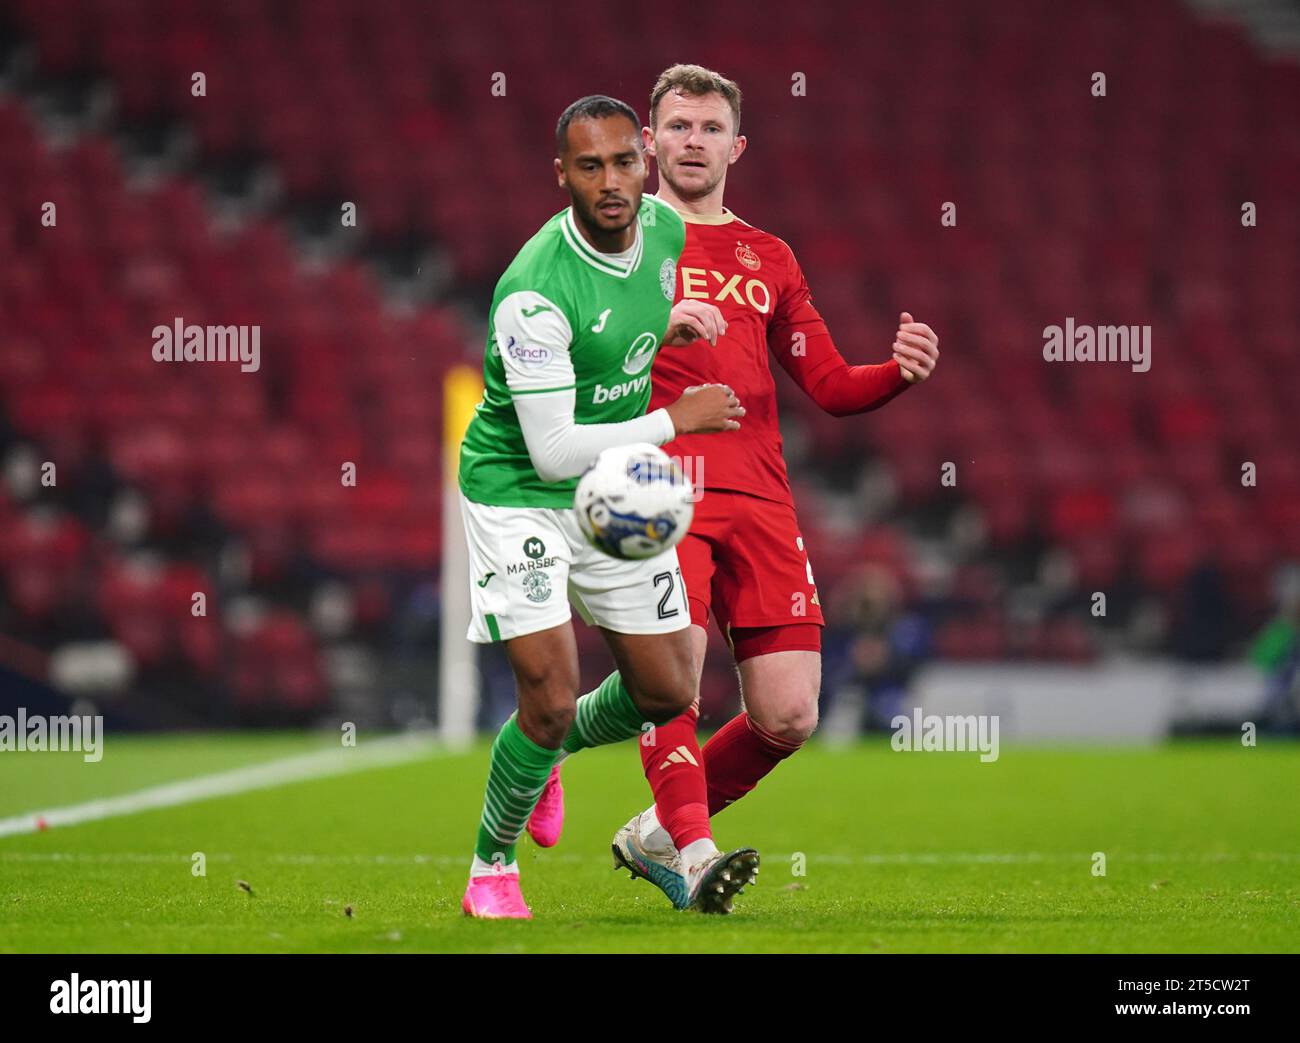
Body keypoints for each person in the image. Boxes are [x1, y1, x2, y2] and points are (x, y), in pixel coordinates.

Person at [526, 67, 940, 913]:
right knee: (674, 681)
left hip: (761, 499)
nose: (691, 141)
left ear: (735, 146)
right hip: (653, 490)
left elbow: (828, 382)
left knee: (789, 714)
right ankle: (692, 853)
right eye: (677, 126)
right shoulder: (606, 242)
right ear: (648, 140)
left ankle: (642, 822)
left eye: (709, 128)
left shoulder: (769, 256)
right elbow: (549, 353)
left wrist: (895, 373)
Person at [457, 93, 757, 919]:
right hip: (520, 491)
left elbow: (622, 318)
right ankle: (492, 866)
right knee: (547, 697)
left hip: (613, 480)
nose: (612, 180)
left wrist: (669, 323)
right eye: (590, 166)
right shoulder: (532, 291)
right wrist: (675, 419)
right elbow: (552, 448)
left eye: (625, 161)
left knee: (668, 690)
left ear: (647, 163)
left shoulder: (665, 233)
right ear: (562, 176)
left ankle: (547, 751)